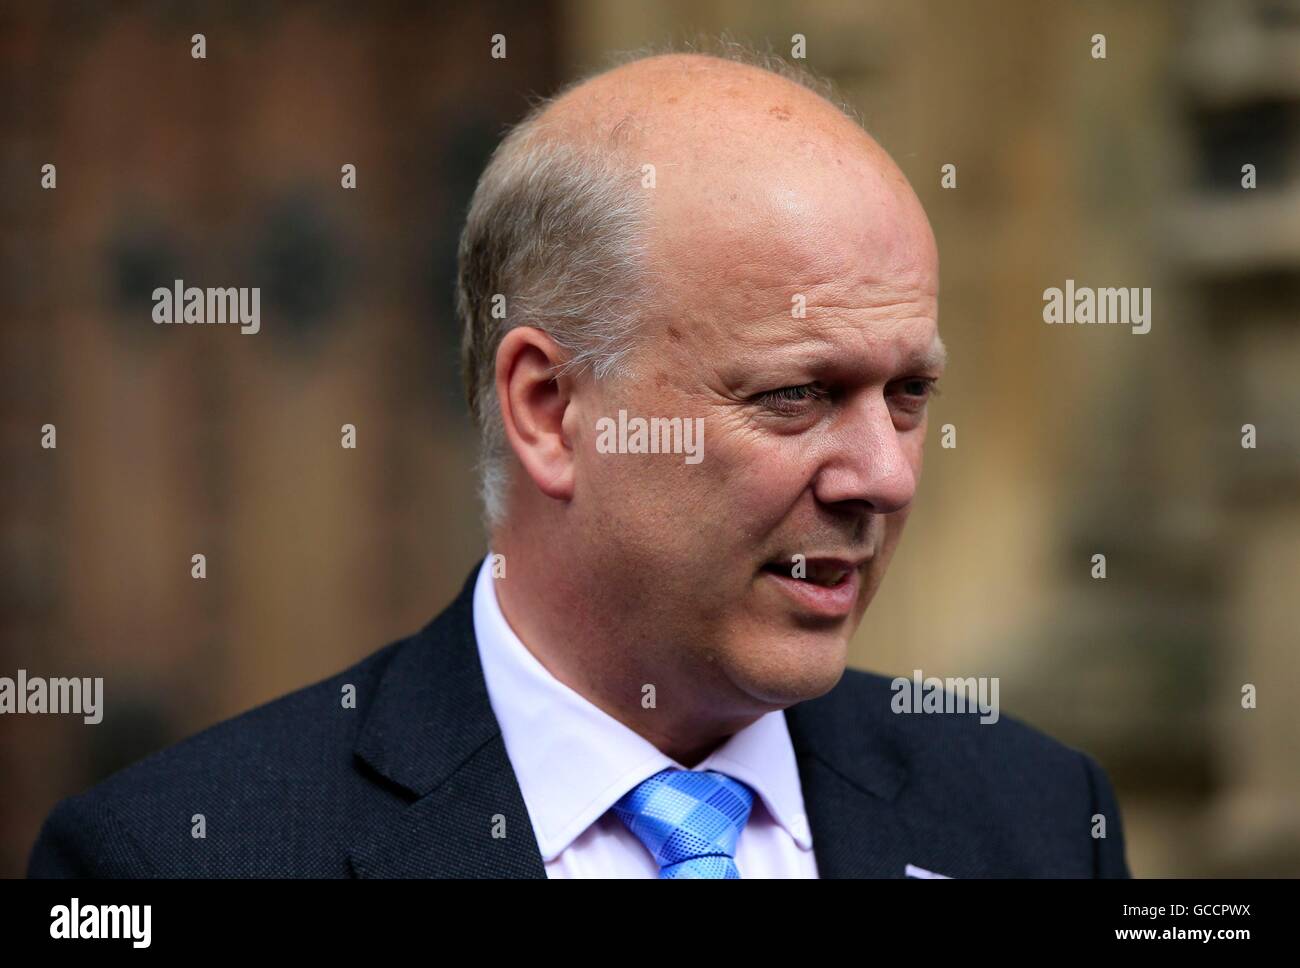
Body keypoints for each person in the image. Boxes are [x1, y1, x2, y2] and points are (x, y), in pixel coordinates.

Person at [29, 46, 1129, 879]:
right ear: (549, 409)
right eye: (795, 395)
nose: (881, 476)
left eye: (907, 395)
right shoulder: (181, 855)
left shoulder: (1032, 818)